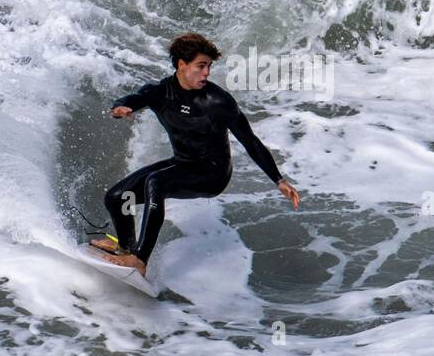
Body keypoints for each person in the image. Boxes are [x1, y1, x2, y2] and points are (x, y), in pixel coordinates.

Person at [93, 32, 300, 277]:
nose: (207, 73)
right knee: (117, 197)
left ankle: (140, 260)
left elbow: (250, 141)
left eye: (209, 67)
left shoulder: (217, 101)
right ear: (182, 64)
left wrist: (278, 179)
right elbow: (136, 98)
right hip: (183, 164)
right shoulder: (160, 92)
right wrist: (121, 106)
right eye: (201, 66)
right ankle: (126, 246)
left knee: (156, 181)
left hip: (212, 174)